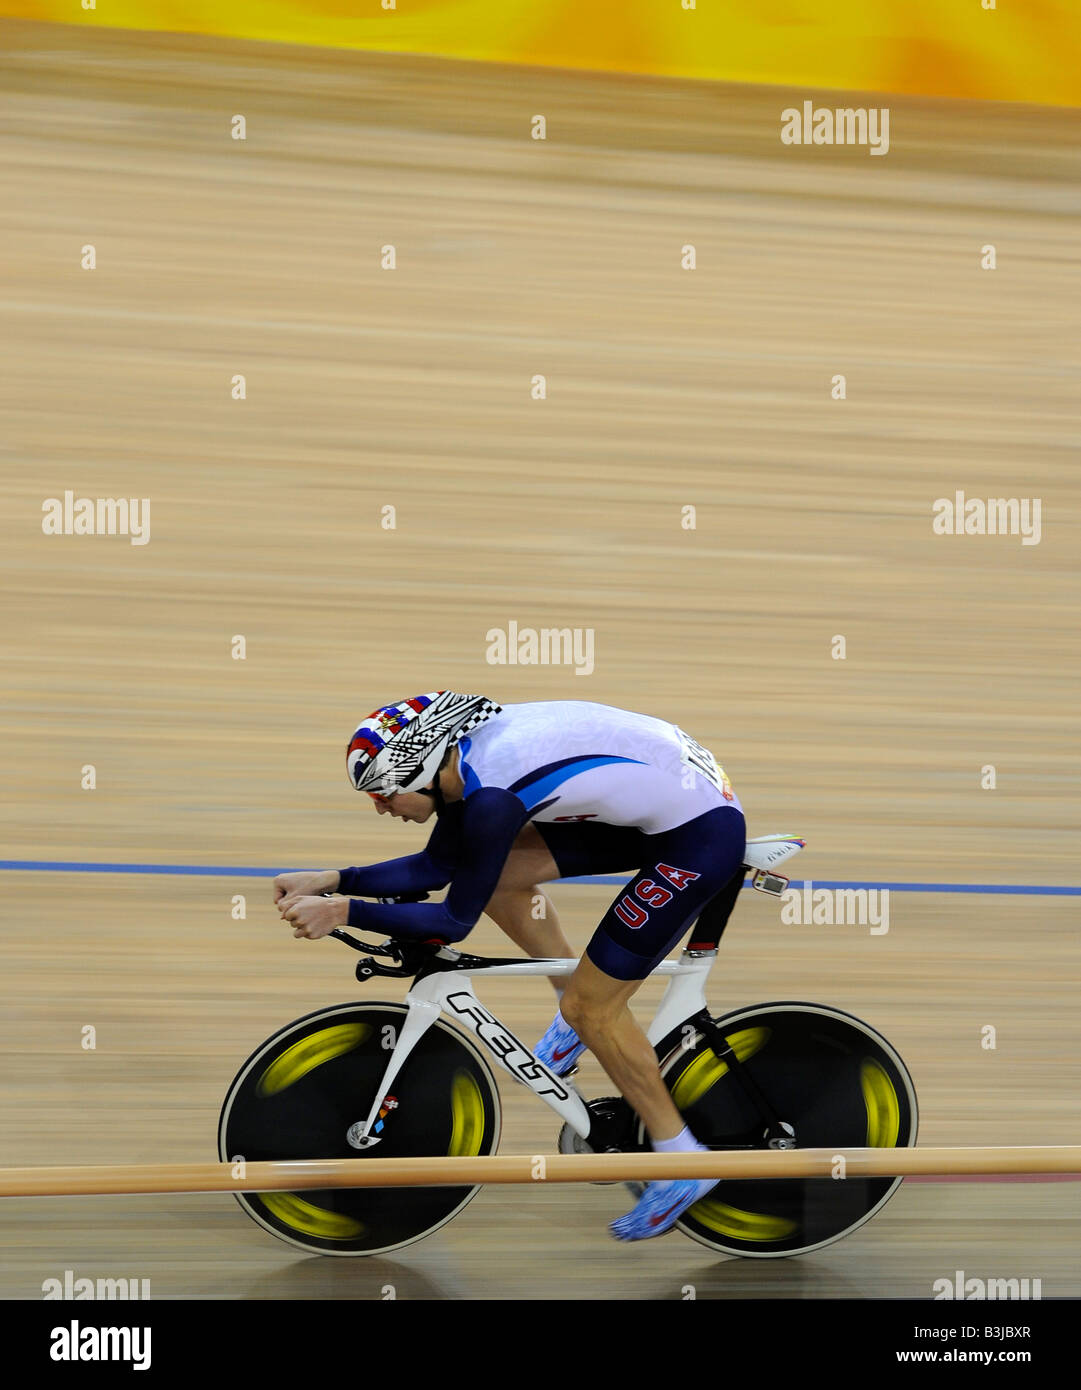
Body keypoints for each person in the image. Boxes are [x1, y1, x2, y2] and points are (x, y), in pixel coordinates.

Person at [273, 690, 746, 1241]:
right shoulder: (460, 764)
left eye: (384, 793)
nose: (380, 806)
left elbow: (452, 920)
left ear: (420, 768)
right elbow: (438, 864)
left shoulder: (491, 795)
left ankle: (683, 1161)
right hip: (669, 793)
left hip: (697, 834)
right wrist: (333, 880)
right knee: (494, 876)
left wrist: (341, 911)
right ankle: (575, 1026)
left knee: (592, 1007)